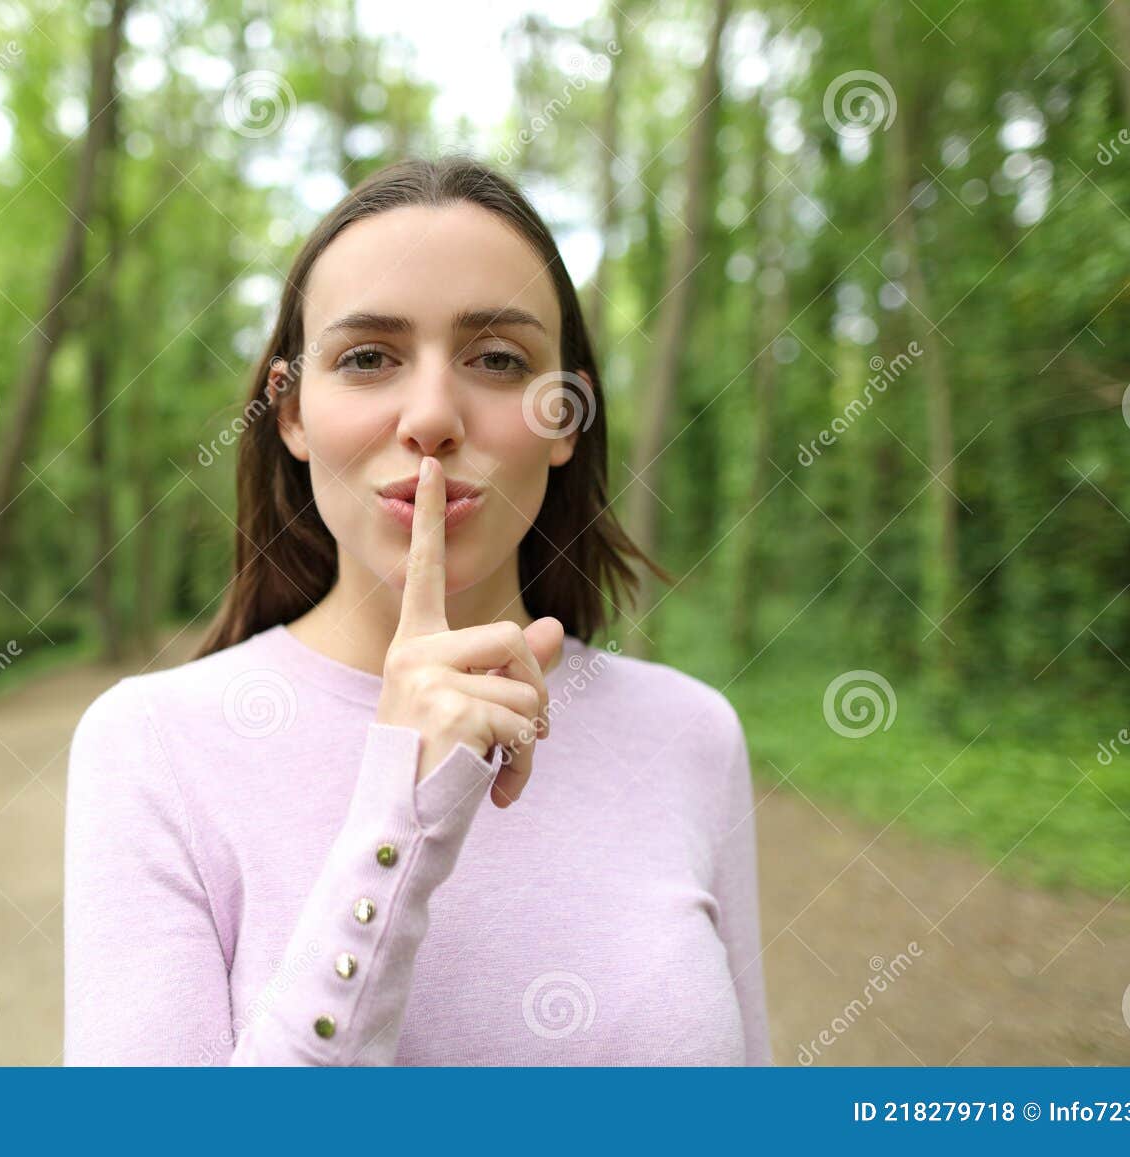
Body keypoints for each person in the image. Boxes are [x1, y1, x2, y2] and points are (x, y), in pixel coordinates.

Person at [63, 156, 771, 1065]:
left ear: (564, 415)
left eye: (497, 359)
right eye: (367, 358)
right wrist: (401, 811)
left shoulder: (691, 734)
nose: (433, 415)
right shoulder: (151, 746)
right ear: (291, 413)